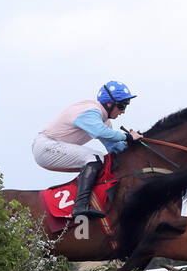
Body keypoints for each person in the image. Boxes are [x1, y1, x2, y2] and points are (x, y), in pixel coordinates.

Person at [33, 81, 143, 220]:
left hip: (53, 148)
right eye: (122, 105)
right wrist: (127, 137)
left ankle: (86, 200)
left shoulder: (104, 121)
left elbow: (114, 148)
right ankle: (80, 206)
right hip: (45, 147)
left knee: (104, 160)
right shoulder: (91, 111)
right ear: (109, 103)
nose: (123, 111)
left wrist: (134, 145)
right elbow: (99, 132)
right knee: (96, 158)